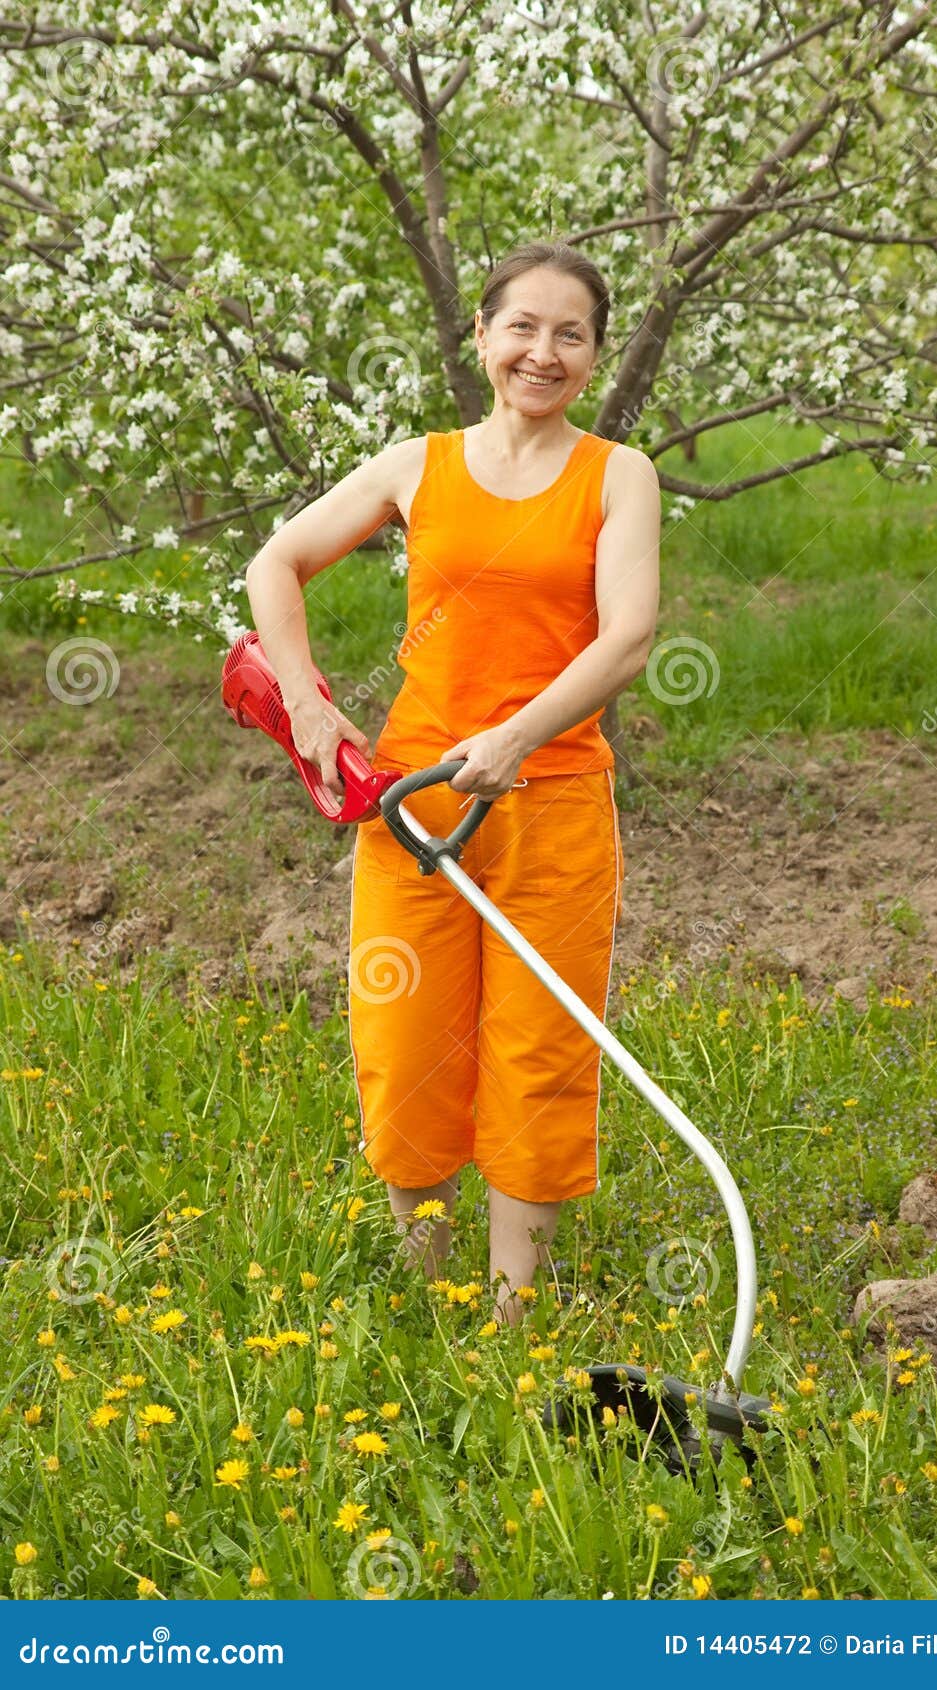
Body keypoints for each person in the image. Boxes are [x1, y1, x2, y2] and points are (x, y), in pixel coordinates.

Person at [245, 240, 660, 1325]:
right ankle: (426, 1297)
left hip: (553, 805)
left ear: (594, 356)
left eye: (570, 333)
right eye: (521, 326)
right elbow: (273, 564)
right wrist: (304, 694)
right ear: (480, 338)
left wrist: (518, 736)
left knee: (537, 1048)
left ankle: (513, 1314)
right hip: (415, 802)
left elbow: (626, 639)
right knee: (408, 1040)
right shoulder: (414, 465)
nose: (542, 351)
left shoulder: (617, 474)